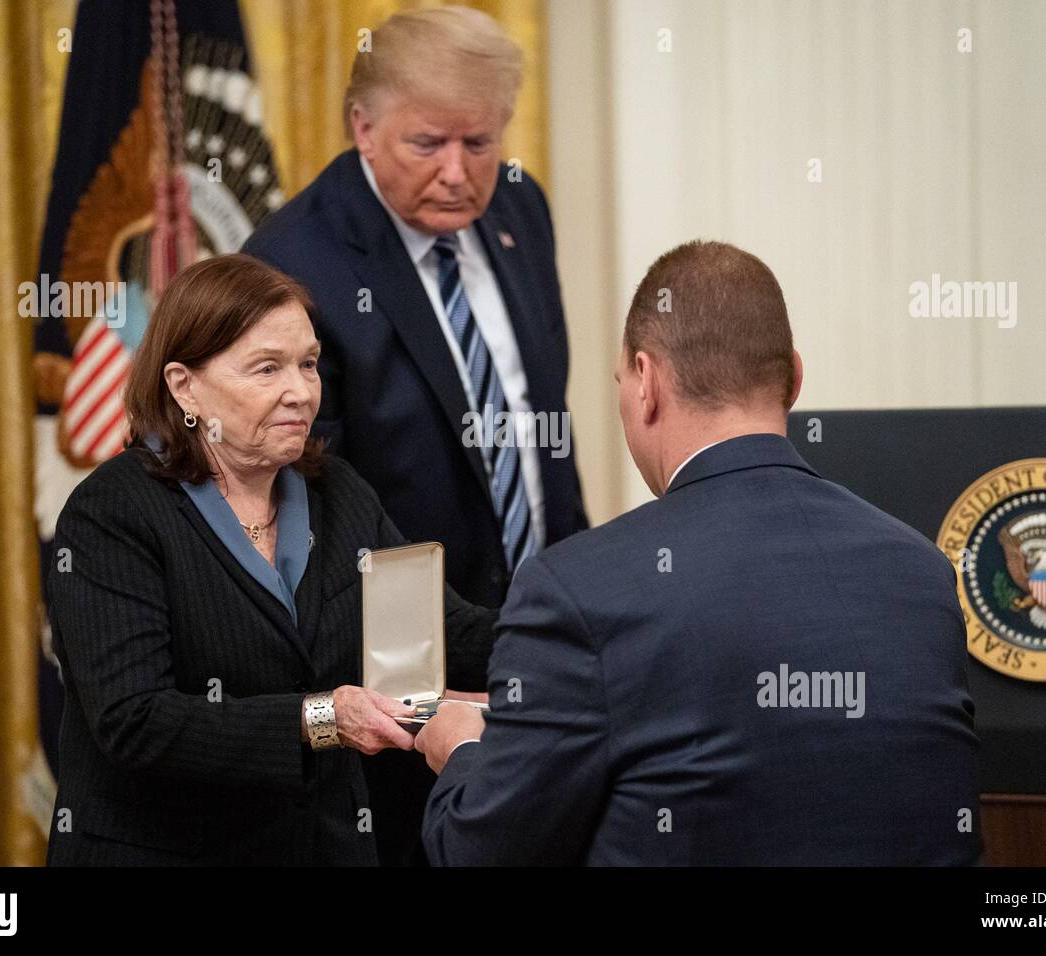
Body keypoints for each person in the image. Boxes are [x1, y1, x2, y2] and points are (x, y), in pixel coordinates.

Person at [415, 240, 983, 865]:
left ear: (646, 382)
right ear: (794, 377)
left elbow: (482, 855)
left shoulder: (576, 590)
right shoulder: (923, 572)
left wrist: (464, 750)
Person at [242, 5, 587, 864]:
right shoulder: (297, 260)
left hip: (545, 642)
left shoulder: (519, 207)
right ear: (363, 126)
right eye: (427, 143)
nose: (458, 173)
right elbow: (302, 505)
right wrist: (420, 681)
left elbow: (542, 425)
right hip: (397, 685)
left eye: (481, 142)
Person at [46, 253, 494, 866]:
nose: (301, 392)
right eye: (267, 369)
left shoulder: (338, 492)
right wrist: (322, 720)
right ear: (185, 387)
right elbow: (134, 719)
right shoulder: (112, 513)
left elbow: (442, 632)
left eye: (308, 365)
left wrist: (582, 632)